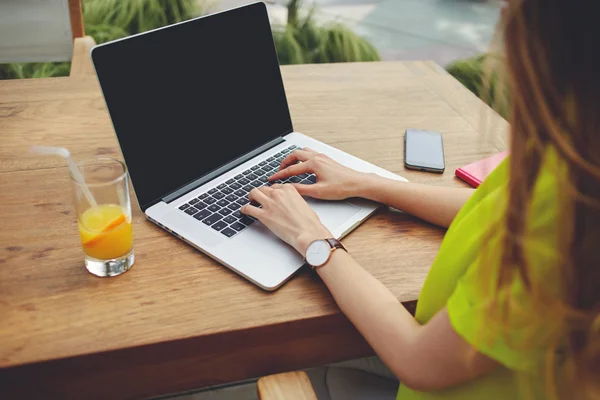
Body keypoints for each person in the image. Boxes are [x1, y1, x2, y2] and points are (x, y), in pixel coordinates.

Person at [241, 0, 600, 398]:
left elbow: (418, 361)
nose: (502, 14)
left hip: (436, 371)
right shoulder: (577, 146)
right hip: (461, 353)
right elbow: (495, 211)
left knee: (283, 353)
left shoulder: (570, 205)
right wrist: (370, 184)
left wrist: (313, 240)